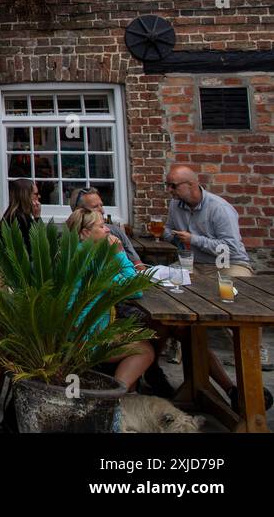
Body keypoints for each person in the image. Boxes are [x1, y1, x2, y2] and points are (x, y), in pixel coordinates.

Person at [162, 164, 271, 410]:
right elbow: (169, 231)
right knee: (169, 289)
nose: (169, 190)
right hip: (195, 263)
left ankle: (251, 349)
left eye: (173, 186)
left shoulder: (219, 208)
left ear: (191, 185)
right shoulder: (174, 206)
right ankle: (183, 346)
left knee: (234, 301)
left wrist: (194, 240)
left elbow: (231, 248)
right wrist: (171, 237)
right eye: (167, 185)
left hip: (228, 264)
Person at [64, 208, 155, 391]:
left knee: (140, 329)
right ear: (85, 233)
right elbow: (134, 289)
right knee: (145, 350)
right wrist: (120, 253)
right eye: (101, 225)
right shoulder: (92, 261)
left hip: (73, 333)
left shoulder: (75, 252)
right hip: (84, 340)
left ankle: (128, 395)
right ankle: (113, 400)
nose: (107, 230)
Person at [68, 186, 142, 266]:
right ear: (80, 211)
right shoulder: (69, 243)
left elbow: (138, 265)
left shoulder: (114, 231)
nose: (103, 211)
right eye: (95, 207)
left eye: (101, 205)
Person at [1, 178, 42, 249]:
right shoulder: (18, 218)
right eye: (36, 194)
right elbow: (35, 244)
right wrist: (37, 217)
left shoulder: (18, 214)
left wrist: (36, 216)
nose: (39, 196)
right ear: (25, 196)